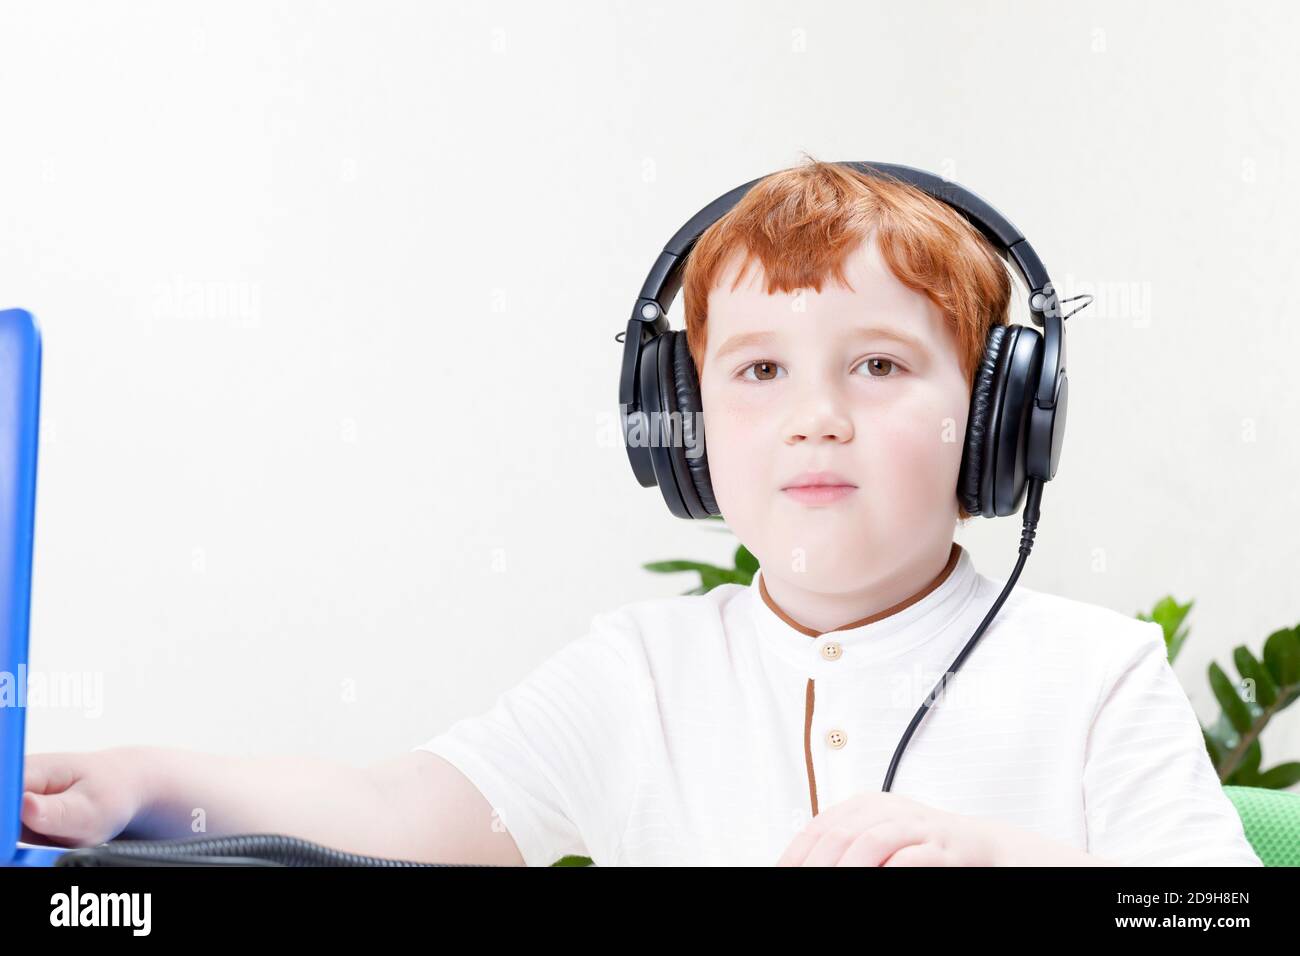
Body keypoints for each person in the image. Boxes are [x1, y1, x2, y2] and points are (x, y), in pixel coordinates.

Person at [20, 158, 1262, 867]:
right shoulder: (641, 673)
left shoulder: (1094, 671)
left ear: (999, 417)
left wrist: (1010, 861)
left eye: (878, 365)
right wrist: (143, 775)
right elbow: (405, 813)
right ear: (681, 420)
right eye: (758, 370)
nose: (812, 415)